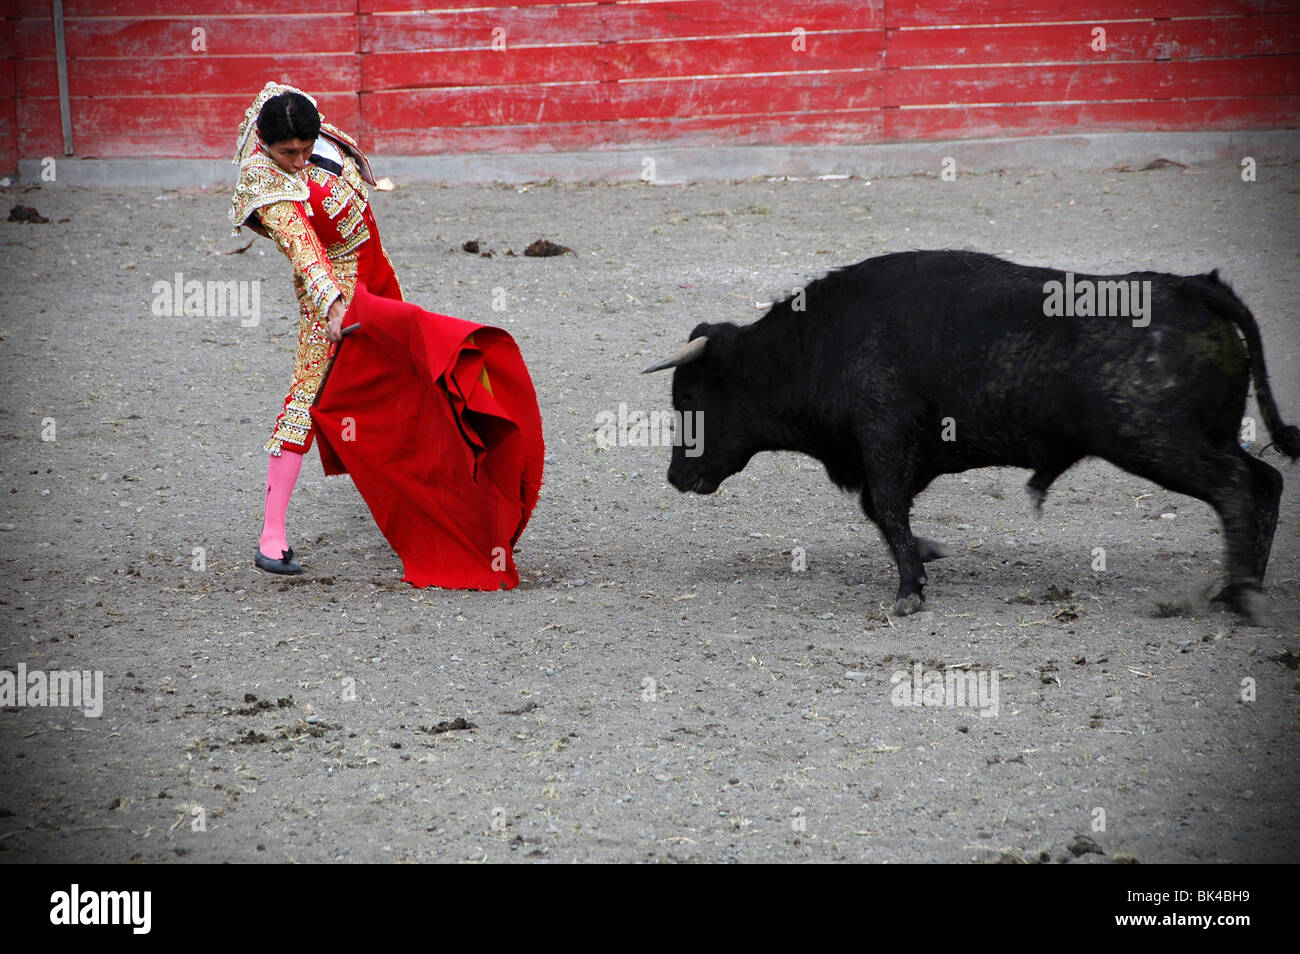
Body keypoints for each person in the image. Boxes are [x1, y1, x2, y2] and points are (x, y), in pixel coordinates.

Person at [229, 82, 403, 574]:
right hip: (335, 287)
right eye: (289, 152)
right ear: (266, 144)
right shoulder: (267, 186)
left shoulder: (293, 113)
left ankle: (411, 506)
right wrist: (331, 305)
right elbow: (305, 250)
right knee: (306, 397)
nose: (300, 159)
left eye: (307, 147)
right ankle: (271, 536)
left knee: (400, 378)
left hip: (374, 262)